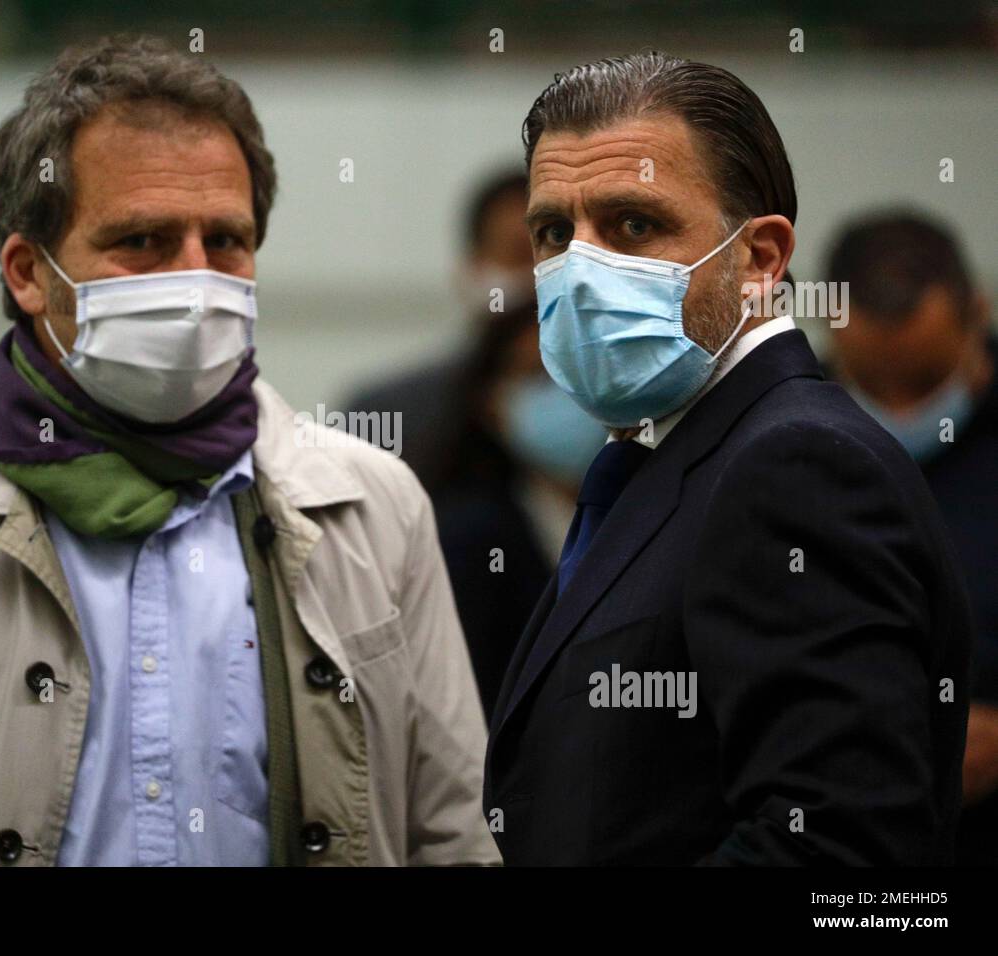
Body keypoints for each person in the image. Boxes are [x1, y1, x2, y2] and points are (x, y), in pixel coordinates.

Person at [0, 34, 497, 867]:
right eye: (143, 242)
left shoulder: (375, 507)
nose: (195, 280)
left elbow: (455, 838)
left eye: (225, 240)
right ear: (26, 271)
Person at [484, 51, 971, 865]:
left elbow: (840, 856)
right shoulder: (671, 461)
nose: (581, 269)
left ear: (761, 260)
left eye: (634, 224)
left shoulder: (799, 468)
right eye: (554, 233)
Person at [826, 211, 998, 866]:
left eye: (923, 383)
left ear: (976, 312)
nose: (899, 409)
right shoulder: (776, 443)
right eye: (873, 383)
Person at [422, 300, 606, 719]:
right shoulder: (467, 537)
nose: (567, 397)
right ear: (491, 404)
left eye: (580, 376)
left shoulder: (649, 514)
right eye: (540, 378)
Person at [344, 169, 534, 481]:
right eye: (520, 255)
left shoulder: (626, 411)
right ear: (471, 272)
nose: (538, 276)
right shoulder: (387, 414)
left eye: (556, 249)